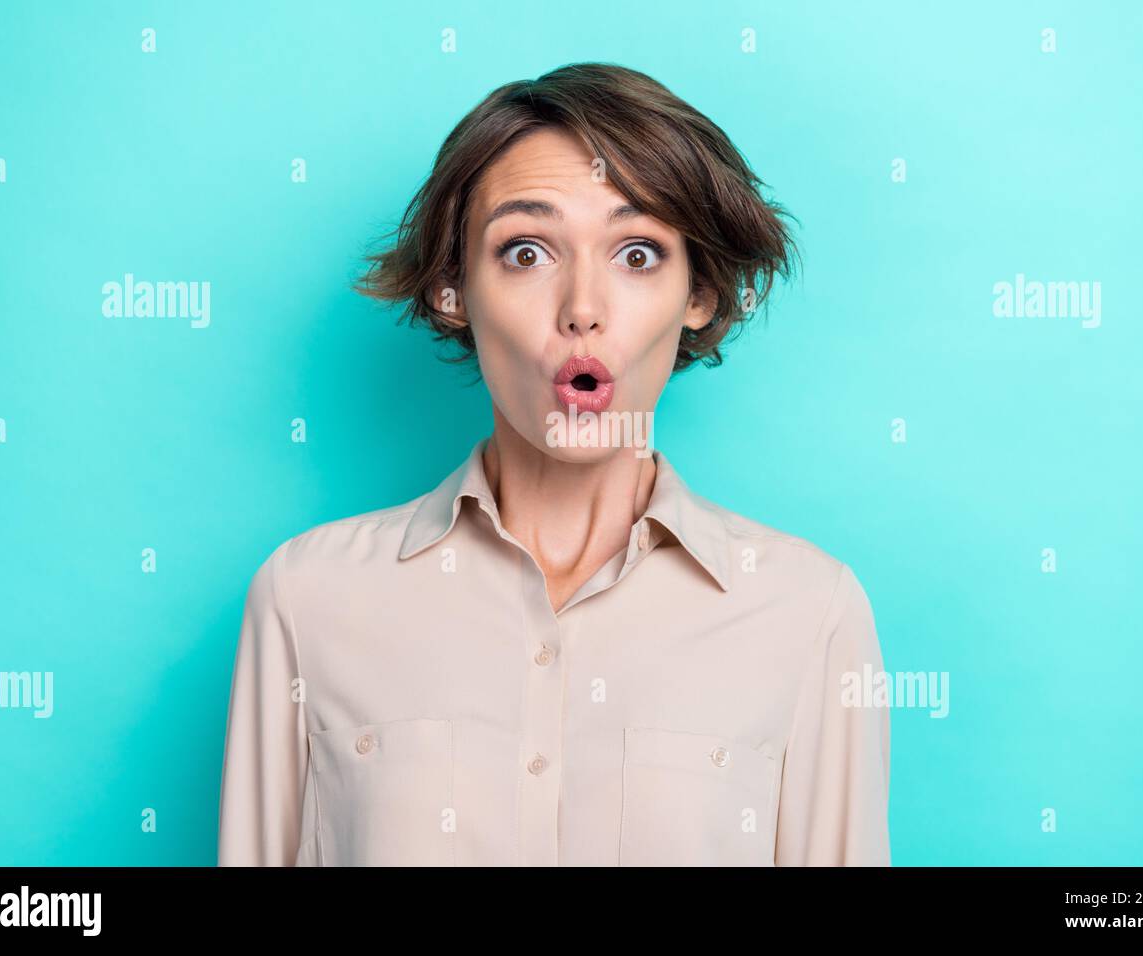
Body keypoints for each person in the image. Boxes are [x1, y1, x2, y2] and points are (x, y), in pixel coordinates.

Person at [217, 62, 890, 866]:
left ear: (700, 295)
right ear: (451, 289)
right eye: (526, 251)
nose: (582, 308)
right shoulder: (305, 600)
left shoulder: (810, 614)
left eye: (637, 253)